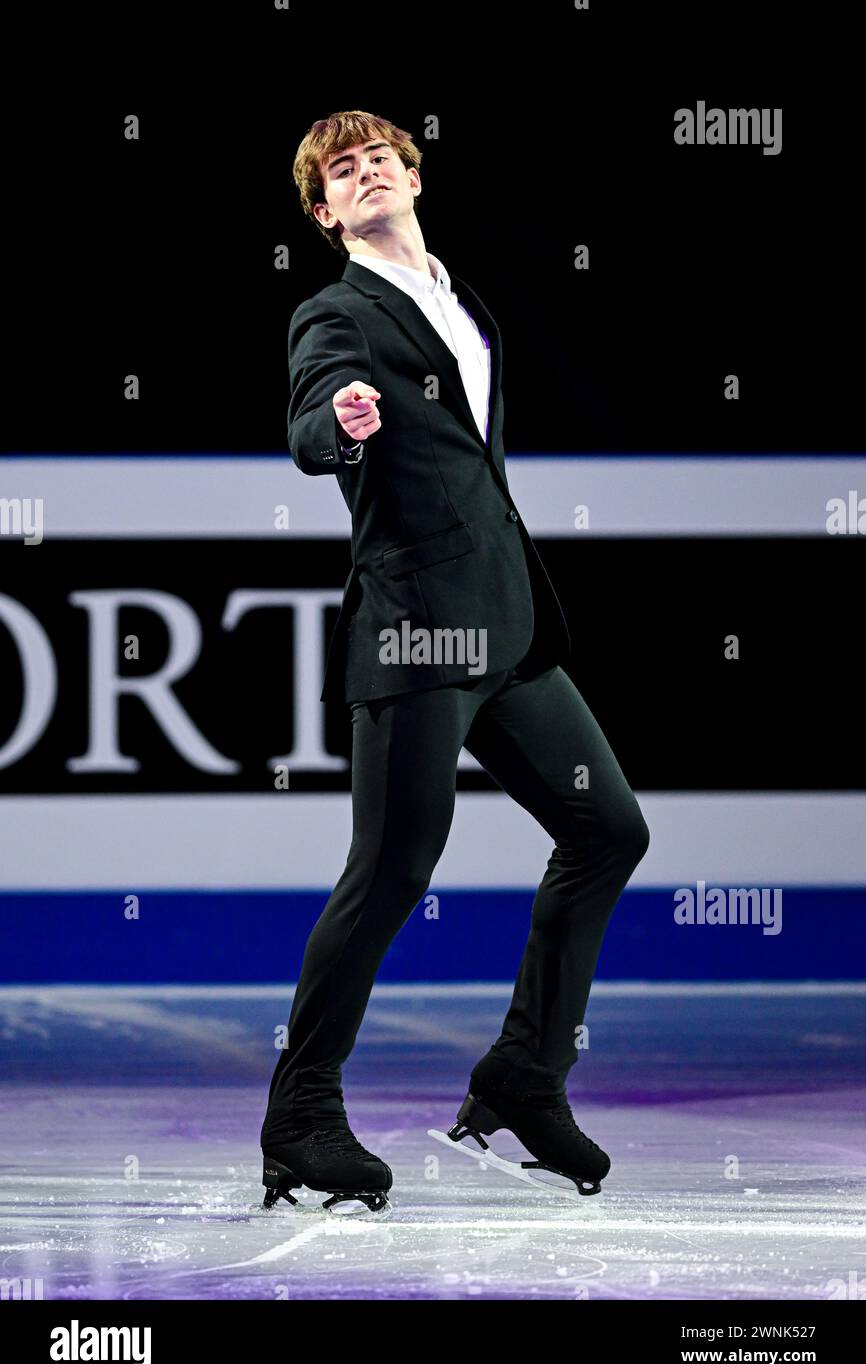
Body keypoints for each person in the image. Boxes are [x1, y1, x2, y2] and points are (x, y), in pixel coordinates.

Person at [260, 110, 649, 1215]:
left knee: (607, 827)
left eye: (380, 153)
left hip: (507, 625)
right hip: (417, 624)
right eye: (341, 168)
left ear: (413, 175)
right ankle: (300, 1113)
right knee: (389, 870)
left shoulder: (459, 299)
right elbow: (307, 424)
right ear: (325, 213)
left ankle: (526, 1077)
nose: (366, 168)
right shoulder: (333, 312)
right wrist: (337, 422)